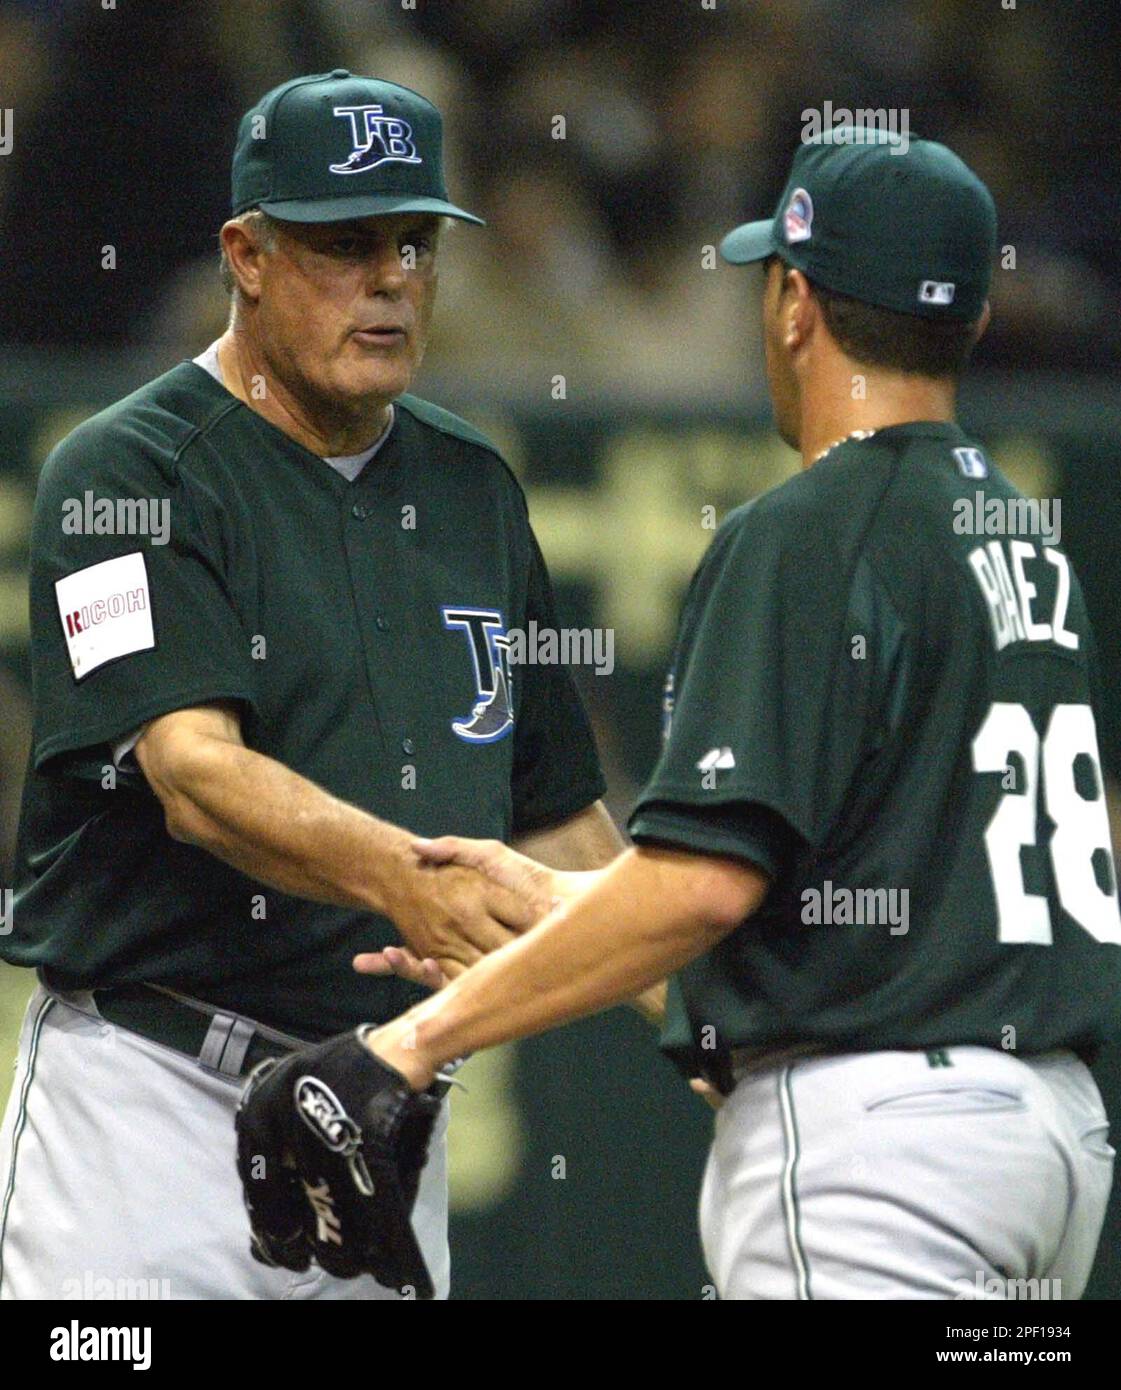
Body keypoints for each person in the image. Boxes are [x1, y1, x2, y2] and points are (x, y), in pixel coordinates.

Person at [325, 127, 1121, 1299]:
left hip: (881, 1145)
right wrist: (547, 899)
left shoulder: (806, 532)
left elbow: (701, 886)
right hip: (1047, 1137)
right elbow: (875, 882)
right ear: (972, 321)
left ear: (795, 301)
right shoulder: (1016, 529)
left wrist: (410, 1041)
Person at [0, 70, 631, 1301]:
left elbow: (558, 815)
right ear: (246, 252)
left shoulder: (475, 490)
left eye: (414, 241)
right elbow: (192, 775)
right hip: (150, 1104)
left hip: (384, 1112)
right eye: (345, 244)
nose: (391, 276)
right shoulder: (122, 471)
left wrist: (697, 1011)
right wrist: (409, 882)